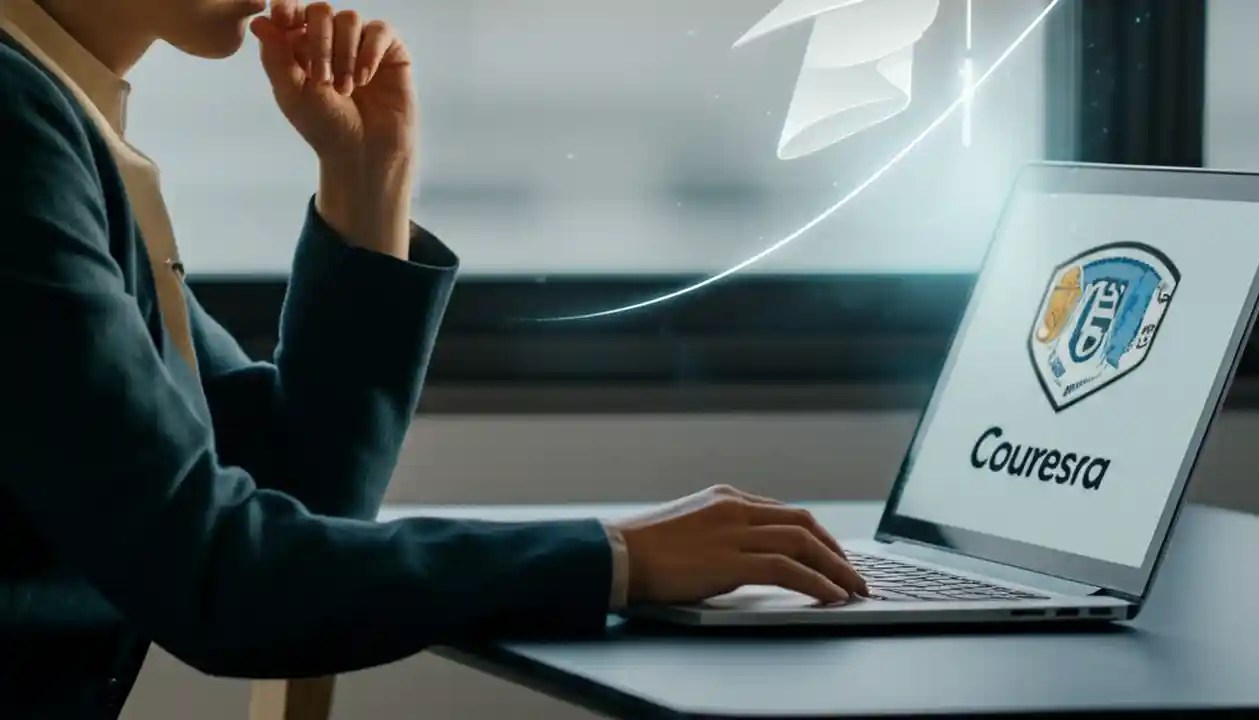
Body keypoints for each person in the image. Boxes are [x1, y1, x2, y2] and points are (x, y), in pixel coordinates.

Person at [0, 0, 867, 715]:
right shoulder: (15, 133)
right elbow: (215, 572)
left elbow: (295, 499)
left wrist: (366, 182)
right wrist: (615, 559)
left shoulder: (53, 114)